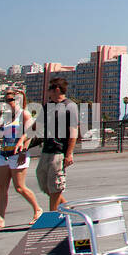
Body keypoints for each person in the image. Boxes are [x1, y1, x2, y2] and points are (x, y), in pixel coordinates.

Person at [0, 91, 41, 228]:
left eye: (11, 99)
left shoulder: (24, 114)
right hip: (4, 154)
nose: (8, 102)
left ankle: (38, 210)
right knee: (1, 187)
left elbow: (29, 134)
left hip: (18, 154)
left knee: (19, 187)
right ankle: (0, 217)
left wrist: (23, 151)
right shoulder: (6, 116)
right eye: (6, 99)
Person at [36, 78, 77, 212]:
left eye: (49, 89)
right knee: (45, 184)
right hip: (46, 150)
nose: (47, 92)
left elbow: (73, 132)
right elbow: (36, 127)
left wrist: (69, 154)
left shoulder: (69, 106)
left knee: (55, 186)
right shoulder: (47, 106)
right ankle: (70, 210)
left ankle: (53, 216)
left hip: (58, 152)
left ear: (57, 90)